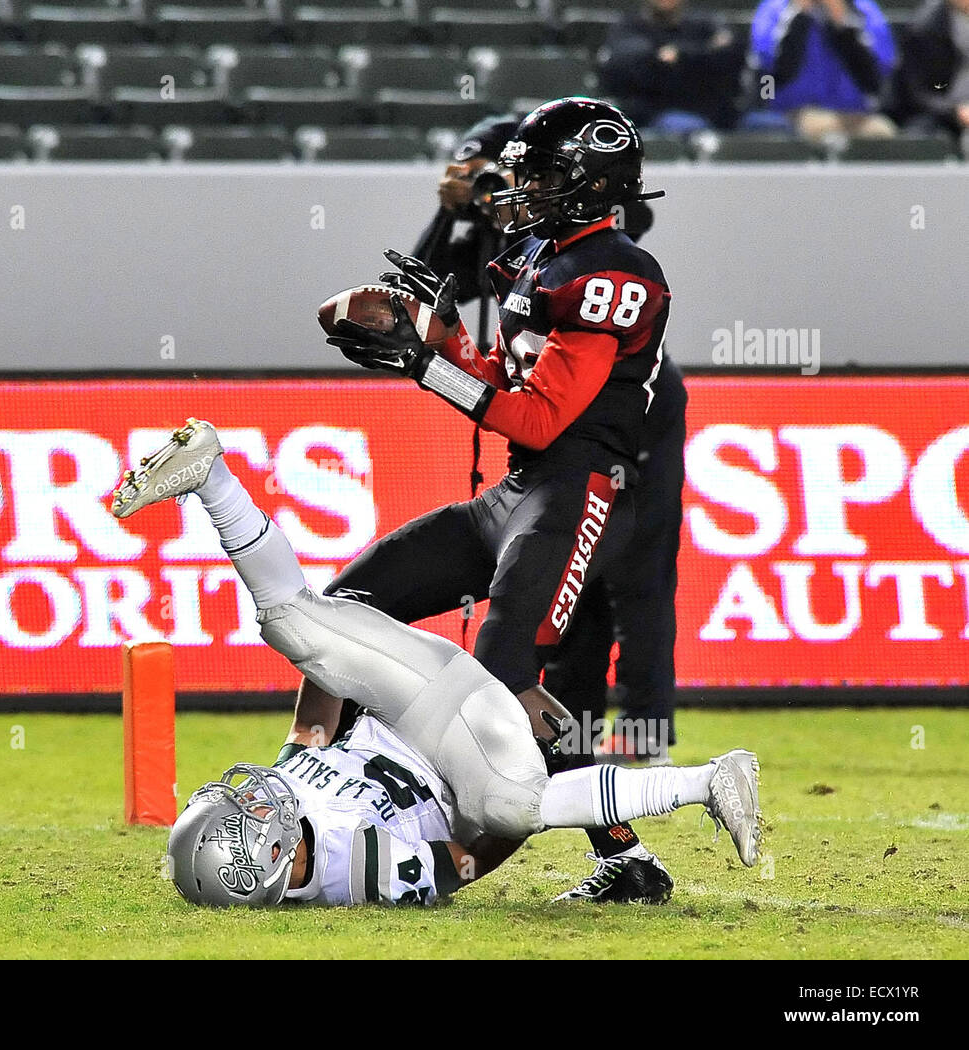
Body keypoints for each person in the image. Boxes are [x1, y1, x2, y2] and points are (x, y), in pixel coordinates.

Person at [110, 419, 762, 908]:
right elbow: (462, 864)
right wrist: (520, 794)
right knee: (512, 804)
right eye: (245, 818)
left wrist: (334, 653)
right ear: (266, 861)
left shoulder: (287, 790)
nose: (252, 797)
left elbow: (310, 726)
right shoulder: (351, 871)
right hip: (470, 757)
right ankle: (711, 781)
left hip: (412, 696)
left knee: (290, 621)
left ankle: (212, 476)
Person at [301, 97, 681, 904]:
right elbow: (502, 377)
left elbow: (542, 416)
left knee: (504, 684)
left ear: (588, 184)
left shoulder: (615, 273)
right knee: (343, 606)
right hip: (517, 487)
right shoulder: (532, 255)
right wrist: (440, 338)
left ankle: (496, 864)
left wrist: (423, 366)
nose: (523, 189)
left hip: (575, 488)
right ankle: (306, 770)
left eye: (540, 175)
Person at [748, 0, 898, 142]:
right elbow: (766, 74)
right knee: (818, 128)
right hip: (793, 113)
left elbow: (877, 78)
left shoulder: (863, 9)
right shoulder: (774, 8)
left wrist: (843, 23)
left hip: (856, 114)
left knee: (881, 132)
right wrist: (800, 16)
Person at [597, 0, 745, 132]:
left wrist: (680, 54)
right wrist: (700, 54)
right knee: (689, 126)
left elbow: (730, 51)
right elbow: (638, 65)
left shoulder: (704, 23)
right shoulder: (628, 28)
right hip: (651, 113)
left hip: (709, 110)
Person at [891, 0, 969, 145]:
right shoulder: (924, 27)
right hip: (938, 115)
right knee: (918, 139)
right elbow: (917, 93)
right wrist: (955, 112)